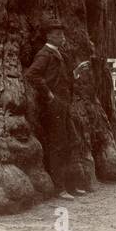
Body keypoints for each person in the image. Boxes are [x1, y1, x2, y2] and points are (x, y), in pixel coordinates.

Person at [25, 19, 79, 199]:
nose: (61, 37)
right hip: (54, 106)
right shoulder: (45, 54)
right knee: (57, 146)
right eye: (57, 35)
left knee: (71, 141)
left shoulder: (59, 53)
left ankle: (71, 185)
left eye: (62, 34)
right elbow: (32, 74)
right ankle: (59, 188)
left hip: (64, 104)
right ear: (48, 36)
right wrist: (48, 94)